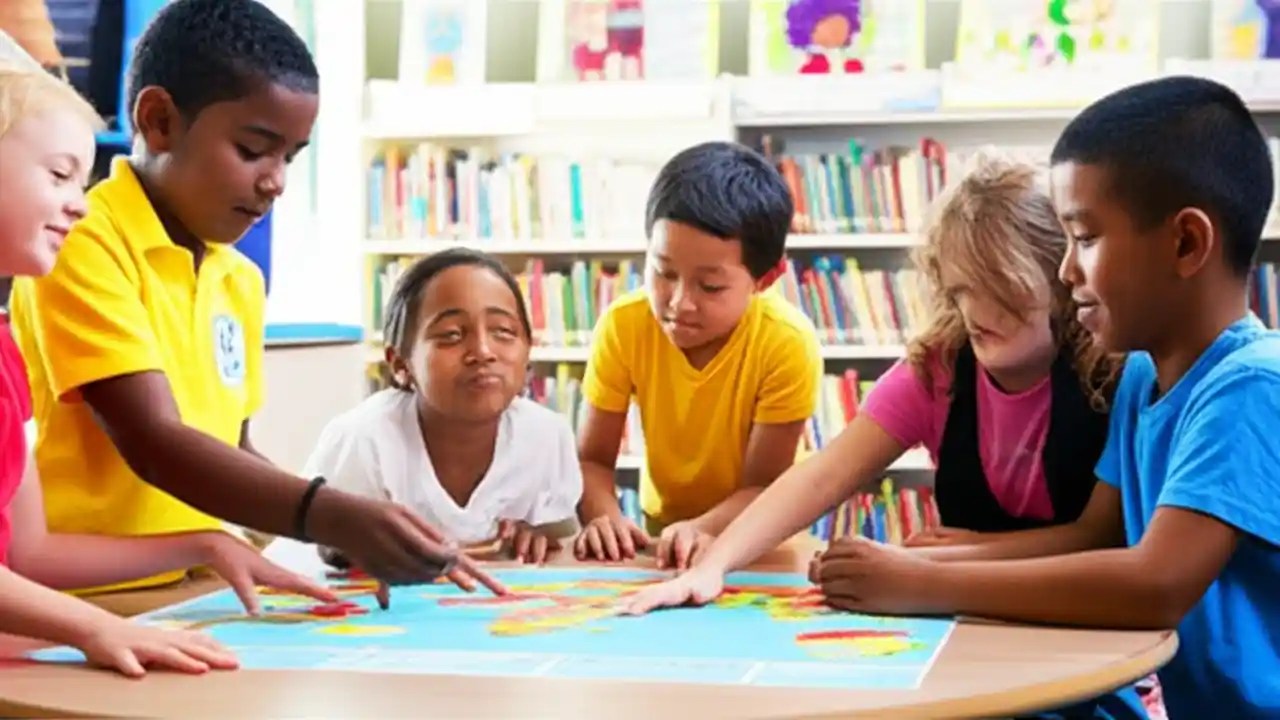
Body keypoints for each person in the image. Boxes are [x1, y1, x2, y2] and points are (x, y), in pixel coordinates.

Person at [808, 76, 1280, 719]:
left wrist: (923, 583)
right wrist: (954, 552)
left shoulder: (1251, 385)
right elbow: (1096, 532)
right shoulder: (1142, 375)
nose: (1066, 272)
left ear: (1187, 243)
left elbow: (1155, 582)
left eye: (1084, 239)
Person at [6, 0, 503, 605]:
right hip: (96, 593)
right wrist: (327, 512)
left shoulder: (238, 277)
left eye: (289, 157)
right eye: (253, 149)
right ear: (159, 120)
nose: (276, 181)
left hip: (206, 581)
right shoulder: (82, 242)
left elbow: (230, 444)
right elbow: (154, 441)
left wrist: (340, 532)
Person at [621, 151, 1124, 613]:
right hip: (972, 624)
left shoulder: (1116, 373)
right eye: (961, 289)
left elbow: (1104, 535)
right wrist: (714, 565)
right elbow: (822, 475)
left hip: (1080, 618)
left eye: (1001, 288)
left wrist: (951, 559)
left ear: (1063, 279)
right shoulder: (940, 369)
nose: (974, 312)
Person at [0, 58, 253, 678]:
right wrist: (92, 625)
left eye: (82, 182)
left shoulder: (5, 350)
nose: (78, 206)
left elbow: (29, 553)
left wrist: (207, 543)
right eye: (59, 175)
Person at [574, 140, 822, 570]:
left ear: (766, 278)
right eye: (664, 272)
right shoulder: (623, 325)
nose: (678, 303)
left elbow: (764, 485)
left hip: (761, 538)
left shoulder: (787, 342)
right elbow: (592, 459)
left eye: (709, 287)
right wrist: (605, 519)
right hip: (663, 537)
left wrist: (703, 528)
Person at [305, 249, 583, 566]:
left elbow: (559, 536)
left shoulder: (547, 435)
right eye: (451, 335)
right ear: (400, 364)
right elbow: (329, 550)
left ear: (528, 352)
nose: (482, 351)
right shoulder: (364, 439)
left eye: (503, 332)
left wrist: (538, 537)